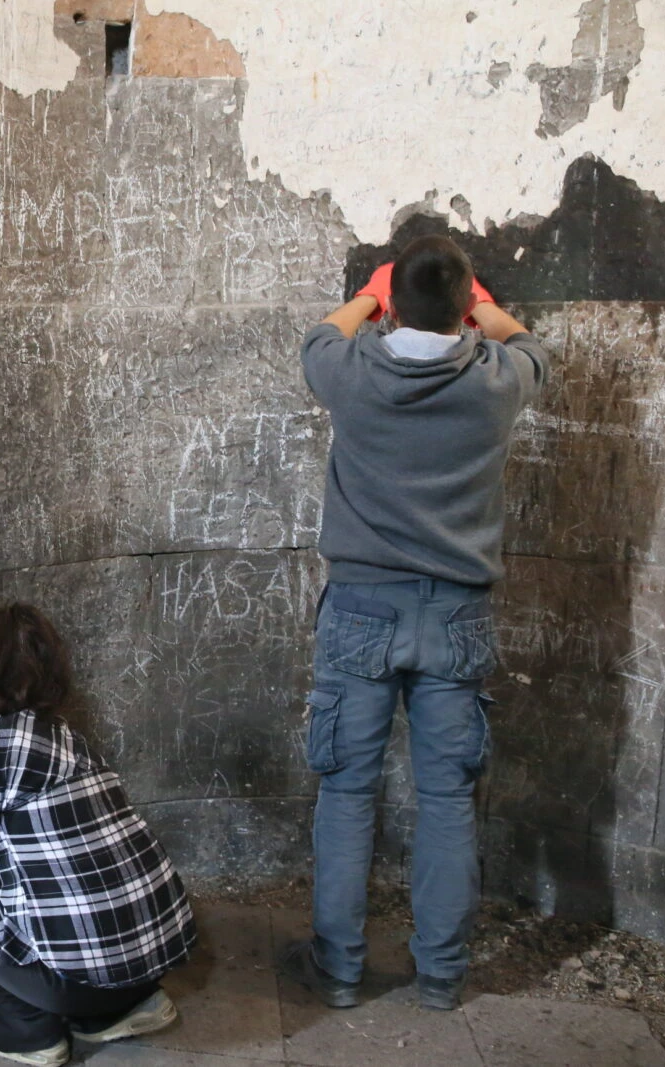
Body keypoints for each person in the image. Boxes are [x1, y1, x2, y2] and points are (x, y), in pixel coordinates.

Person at [285, 236, 550, 1011]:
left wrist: (372, 292)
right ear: (466, 305)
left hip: (362, 610)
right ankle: (440, 973)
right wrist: (482, 306)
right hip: (456, 615)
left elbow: (318, 335)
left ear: (393, 302)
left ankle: (337, 970)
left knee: (346, 796)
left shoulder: (352, 370)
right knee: (445, 801)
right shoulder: (498, 381)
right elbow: (526, 340)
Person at [0, 603, 196, 1066]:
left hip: (75, 984)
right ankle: (119, 1010)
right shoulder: (64, 735)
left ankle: (25, 1031)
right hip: (146, 962)